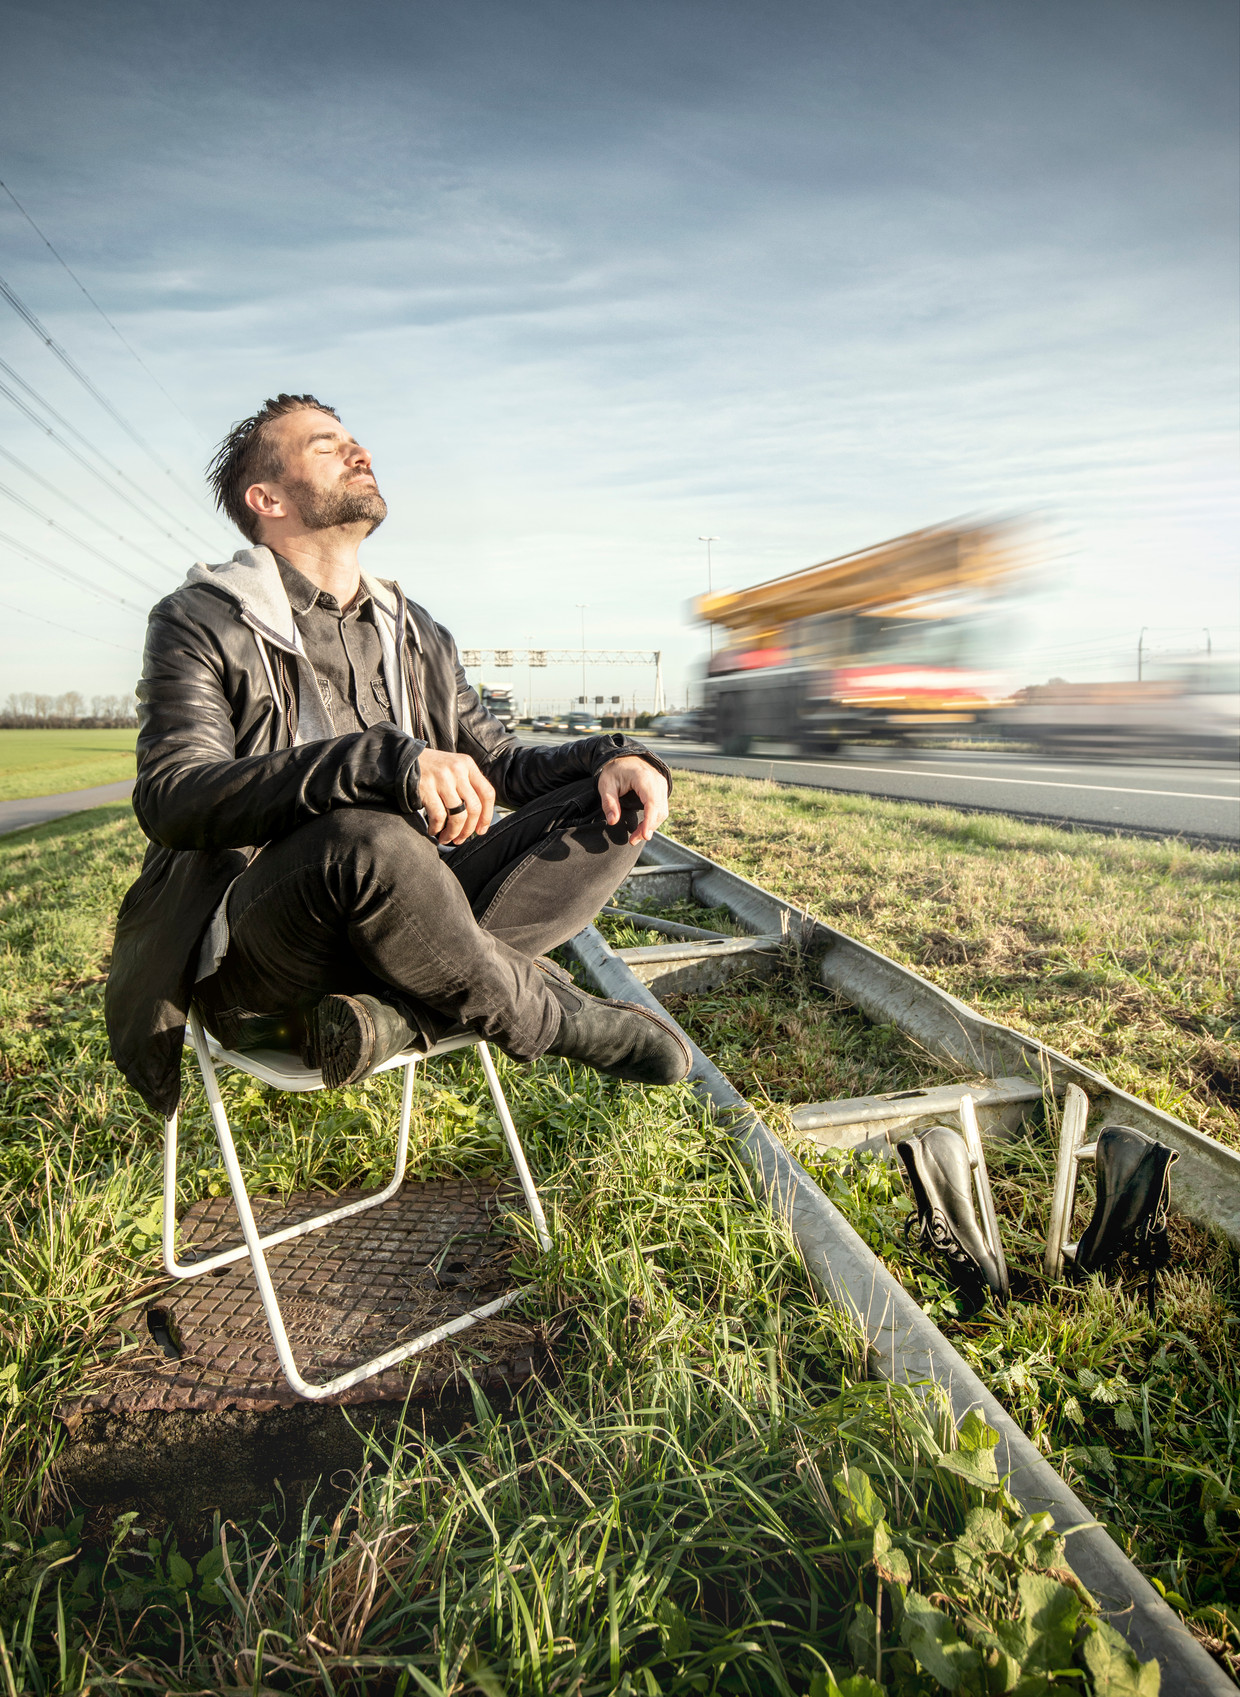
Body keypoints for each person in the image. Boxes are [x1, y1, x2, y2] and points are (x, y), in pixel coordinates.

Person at [105, 393, 691, 1117]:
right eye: (326, 446)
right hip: (269, 949)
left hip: (420, 925)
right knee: (369, 837)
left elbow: (502, 765)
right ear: (267, 497)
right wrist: (382, 762)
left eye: (355, 441)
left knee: (613, 806)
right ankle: (559, 1020)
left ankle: (399, 1017)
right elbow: (173, 795)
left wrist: (617, 755)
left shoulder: (416, 632)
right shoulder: (199, 619)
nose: (362, 454)